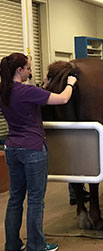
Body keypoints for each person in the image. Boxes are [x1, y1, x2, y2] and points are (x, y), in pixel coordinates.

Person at [0, 52, 78, 251]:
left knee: (15, 198)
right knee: (35, 199)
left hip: (11, 149)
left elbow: (32, 100)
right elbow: (62, 99)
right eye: (27, 68)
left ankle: (12, 244)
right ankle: (36, 245)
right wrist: (70, 82)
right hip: (33, 149)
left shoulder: (4, 91)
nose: (30, 72)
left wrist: (44, 87)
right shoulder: (26, 91)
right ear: (19, 70)